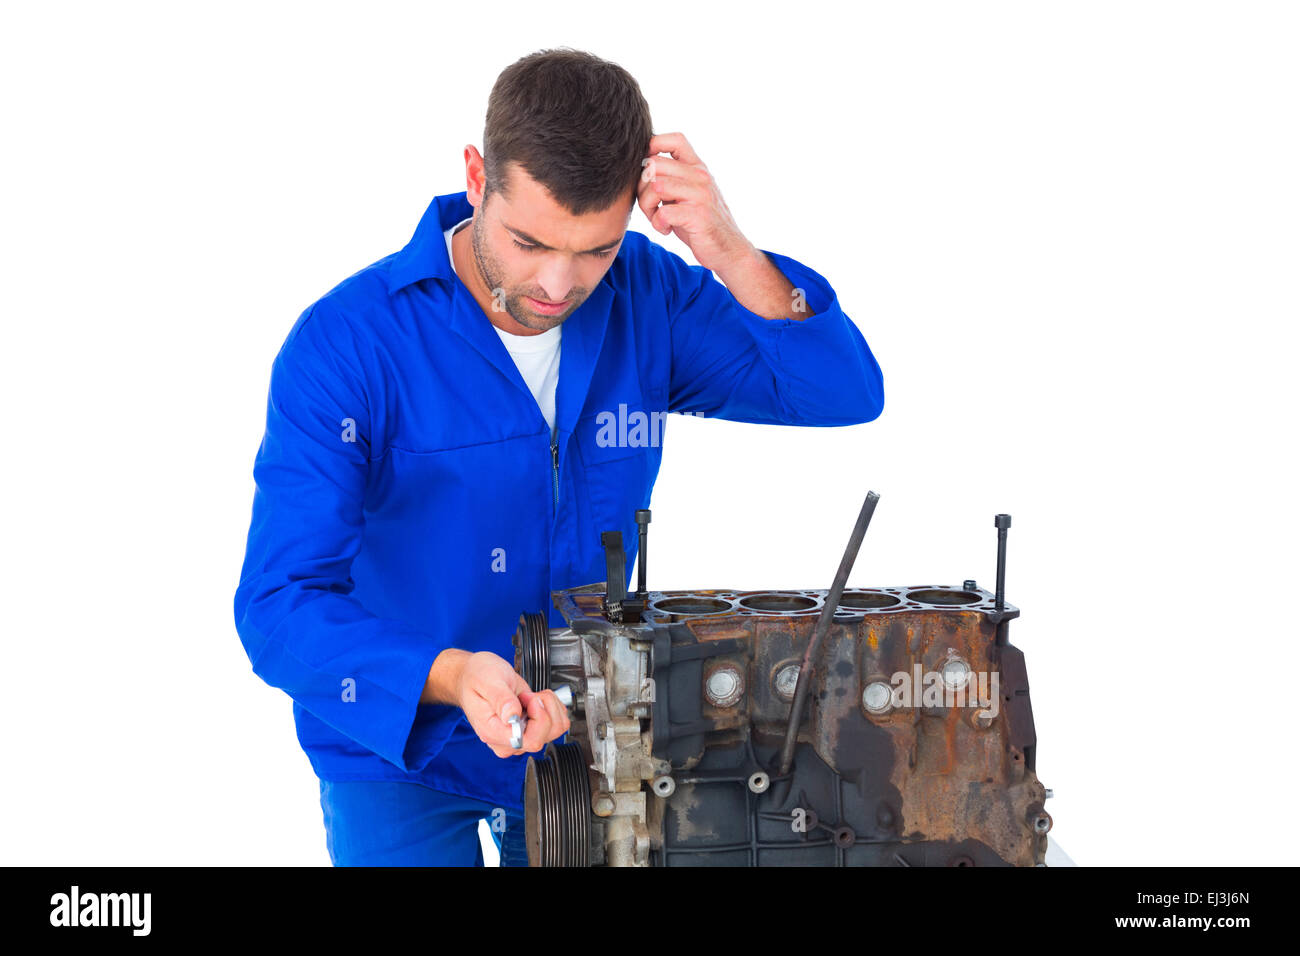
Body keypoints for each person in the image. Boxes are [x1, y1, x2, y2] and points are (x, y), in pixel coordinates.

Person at [233, 47, 885, 866]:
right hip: (394, 744)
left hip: (591, 740)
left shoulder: (646, 297)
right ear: (478, 178)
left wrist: (726, 247)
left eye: (596, 249)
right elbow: (278, 604)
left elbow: (840, 391)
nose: (556, 283)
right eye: (528, 241)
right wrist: (449, 675)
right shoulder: (348, 345)